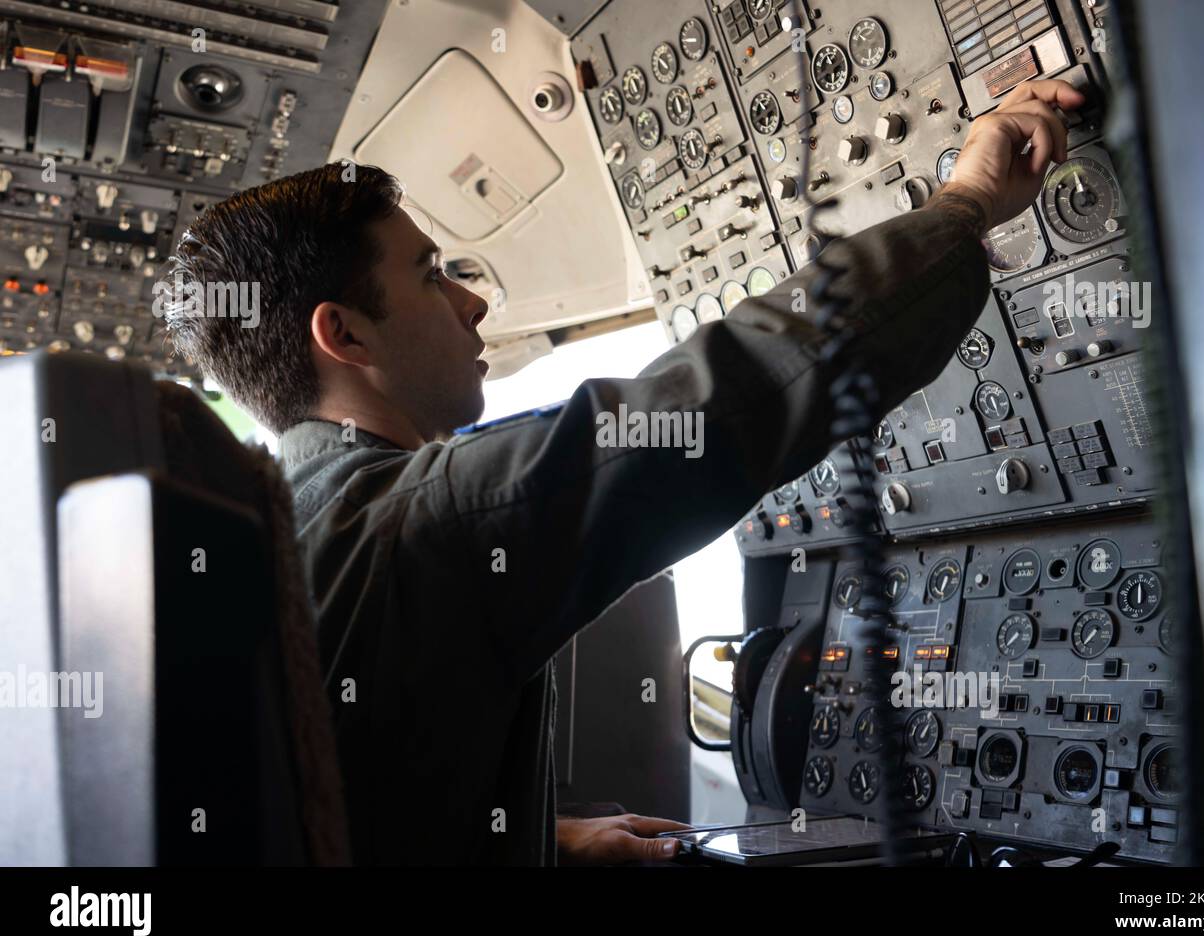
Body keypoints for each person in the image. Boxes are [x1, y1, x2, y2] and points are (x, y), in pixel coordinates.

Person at [165, 78, 1084, 864]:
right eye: (431, 273)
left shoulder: (273, 528)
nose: (474, 300)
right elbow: (720, 402)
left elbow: (355, 812)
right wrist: (967, 205)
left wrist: (541, 843)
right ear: (346, 333)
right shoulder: (415, 526)